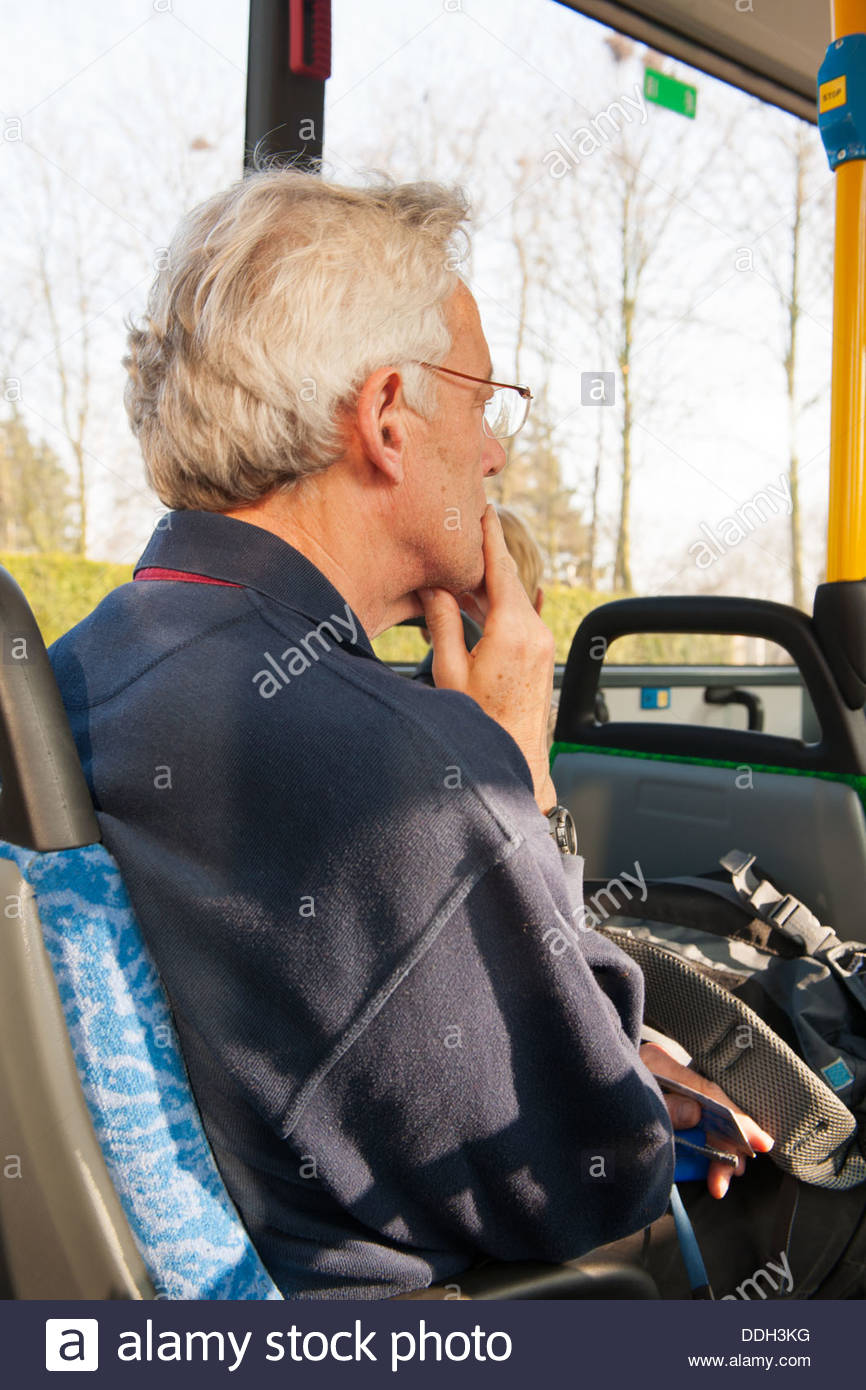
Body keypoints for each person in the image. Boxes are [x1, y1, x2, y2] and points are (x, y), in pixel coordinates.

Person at [48, 170, 772, 1300]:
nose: (493, 455)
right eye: (484, 405)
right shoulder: (403, 771)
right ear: (388, 418)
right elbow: (596, 1177)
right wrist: (514, 766)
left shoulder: (76, 672)